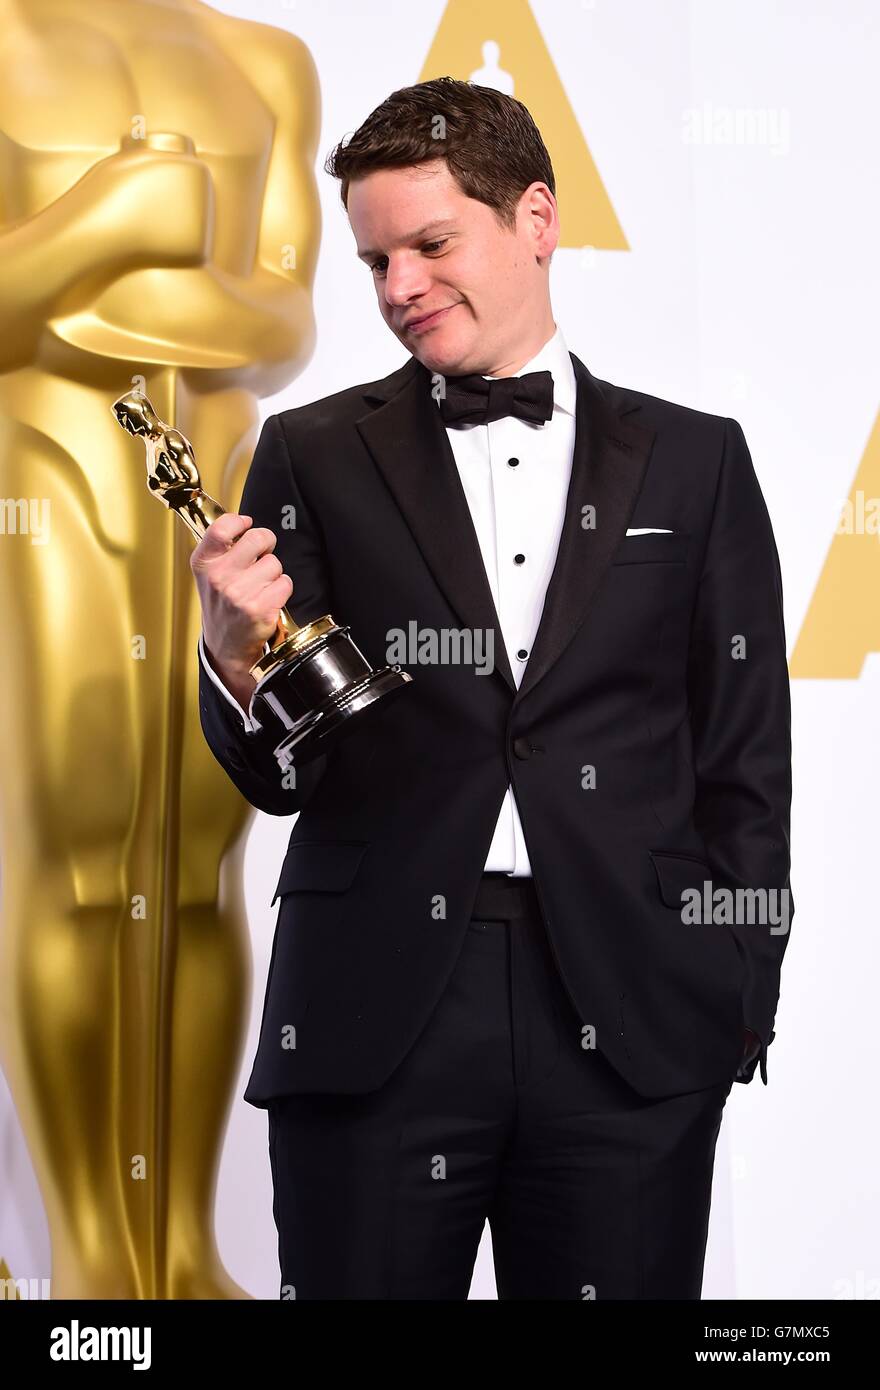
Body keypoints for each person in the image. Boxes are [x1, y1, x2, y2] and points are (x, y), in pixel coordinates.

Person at [191, 78, 793, 1300]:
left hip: (630, 1020)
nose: (398, 286)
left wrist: (733, 996)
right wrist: (235, 658)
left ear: (534, 218)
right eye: (373, 261)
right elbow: (286, 776)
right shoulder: (311, 450)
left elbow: (745, 759)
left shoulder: (696, 459)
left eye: (428, 243)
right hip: (378, 1015)